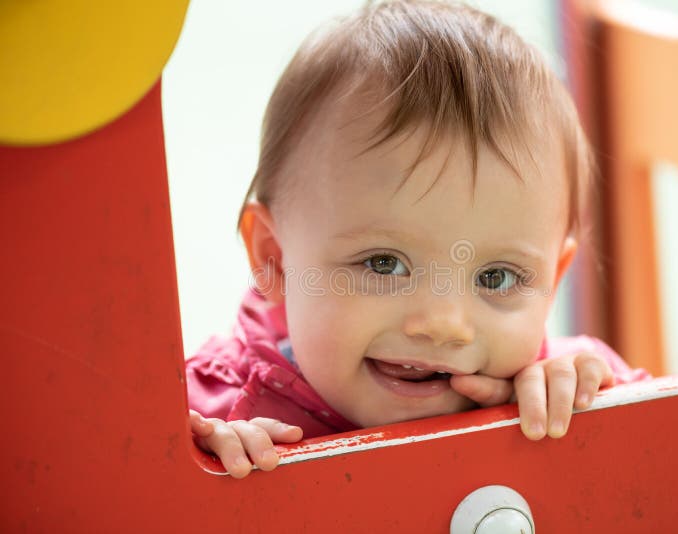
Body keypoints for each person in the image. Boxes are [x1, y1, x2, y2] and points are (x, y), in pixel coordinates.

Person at [186, 0, 650, 479]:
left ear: (552, 281)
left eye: (497, 276)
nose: (444, 325)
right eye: (384, 264)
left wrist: (594, 411)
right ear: (276, 260)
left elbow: (676, 463)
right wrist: (193, 467)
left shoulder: (562, 385)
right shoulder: (212, 413)